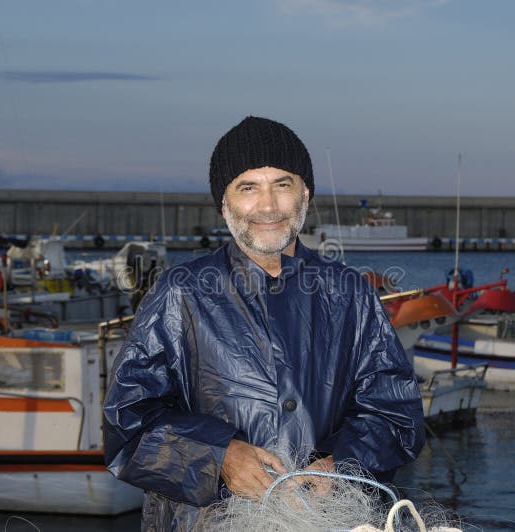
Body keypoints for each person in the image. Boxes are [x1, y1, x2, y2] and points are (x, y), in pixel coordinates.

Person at [103, 116, 425, 530]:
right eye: (248, 187)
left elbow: (395, 416)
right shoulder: (179, 293)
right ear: (225, 203)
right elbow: (125, 426)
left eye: (282, 184)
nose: (268, 206)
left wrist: (342, 464)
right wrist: (217, 457)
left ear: (305, 194)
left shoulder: (352, 295)